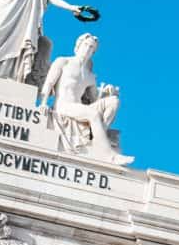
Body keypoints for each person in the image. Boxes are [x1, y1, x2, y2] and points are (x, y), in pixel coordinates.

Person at [39, 33, 130, 164]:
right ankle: (110, 155)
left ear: (93, 52)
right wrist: (43, 103)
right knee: (92, 113)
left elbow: (95, 101)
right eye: (86, 45)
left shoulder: (90, 75)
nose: (87, 49)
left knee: (114, 101)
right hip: (63, 106)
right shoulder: (63, 62)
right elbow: (48, 83)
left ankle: (96, 137)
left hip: (79, 108)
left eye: (91, 48)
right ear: (78, 46)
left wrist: (108, 93)